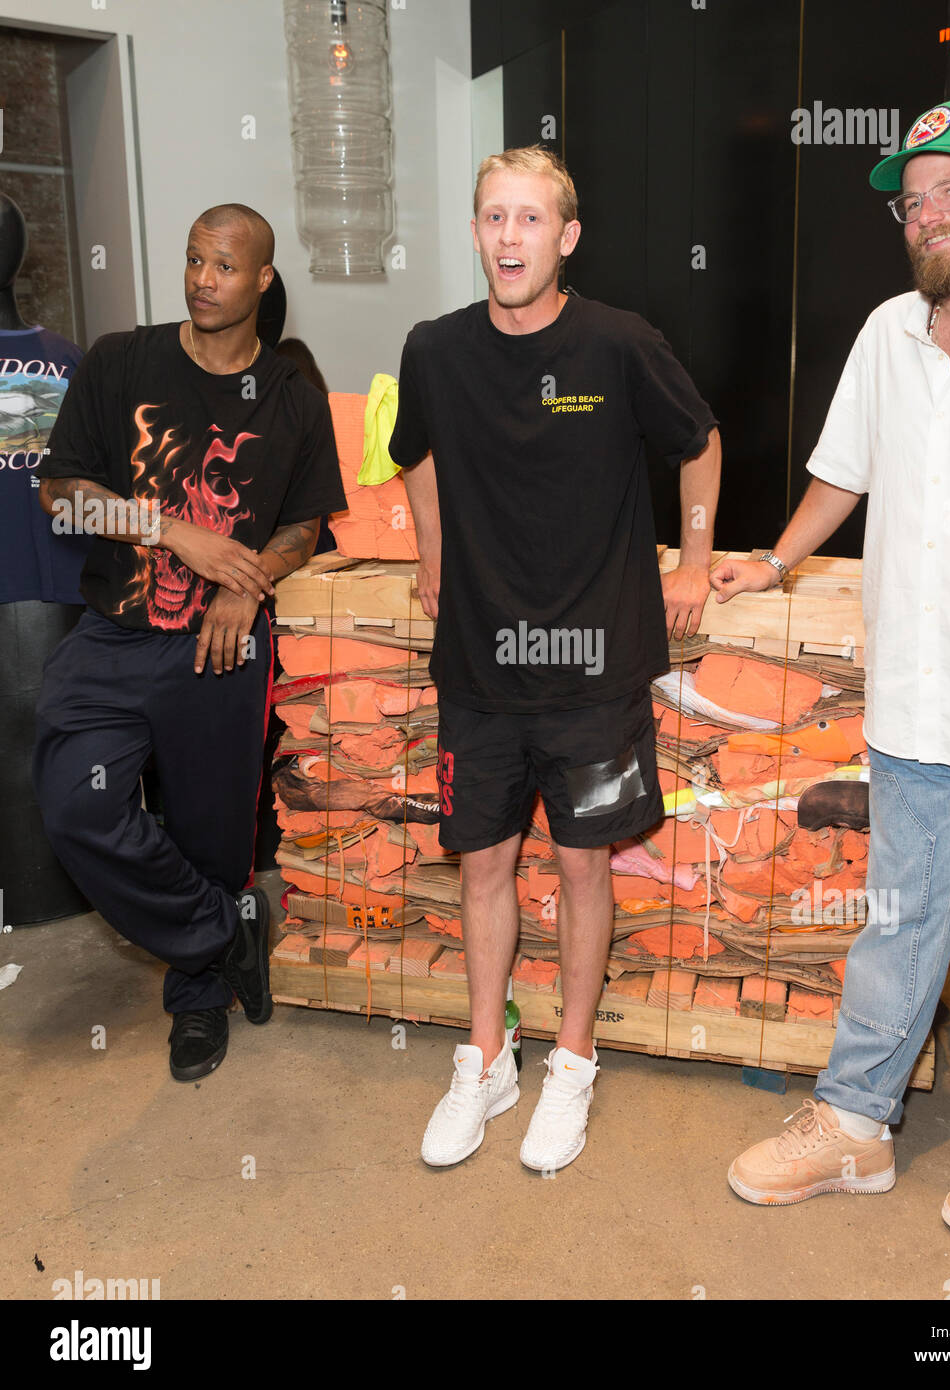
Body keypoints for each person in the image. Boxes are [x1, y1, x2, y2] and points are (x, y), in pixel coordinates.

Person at [715, 99, 950, 1243]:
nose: (927, 214)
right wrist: (773, 562)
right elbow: (845, 473)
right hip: (918, 706)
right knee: (897, 922)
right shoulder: (888, 329)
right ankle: (855, 1123)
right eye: (911, 197)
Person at [388, 146, 721, 1172]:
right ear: (476, 228)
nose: (508, 238)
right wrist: (435, 563)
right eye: (494, 217)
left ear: (566, 237)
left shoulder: (619, 344)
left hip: (593, 669)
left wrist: (697, 559)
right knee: (482, 864)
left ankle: (571, 1062)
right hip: (479, 669)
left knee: (582, 868)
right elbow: (417, 455)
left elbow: (699, 440)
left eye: (530, 220)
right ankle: (486, 1058)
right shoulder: (436, 349)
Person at [33, 203, 347, 1083]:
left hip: (220, 650)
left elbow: (304, 525)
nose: (203, 280)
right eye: (194, 260)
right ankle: (220, 930)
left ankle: (199, 993)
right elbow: (62, 494)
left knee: (214, 833)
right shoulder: (121, 362)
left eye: (223, 266)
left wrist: (245, 584)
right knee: (74, 804)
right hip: (116, 634)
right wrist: (173, 532)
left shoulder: (292, 397)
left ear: (262, 281)